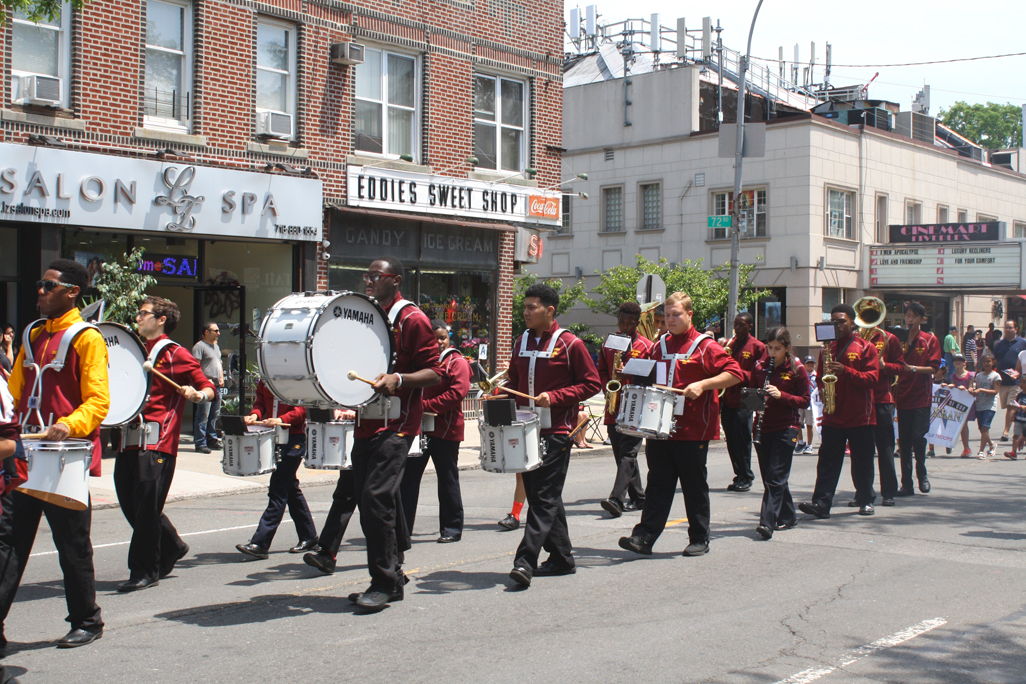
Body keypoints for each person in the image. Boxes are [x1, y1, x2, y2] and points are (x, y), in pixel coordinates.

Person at [1, 259, 109, 649]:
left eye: (47, 286)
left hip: (65, 454)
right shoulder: (31, 333)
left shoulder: (87, 338)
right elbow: (14, 393)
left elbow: (98, 401)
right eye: (40, 285)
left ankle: (87, 620)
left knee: (72, 543)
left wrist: (69, 423)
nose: (40, 292)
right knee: (8, 541)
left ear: (72, 292)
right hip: (27, 452)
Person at [347, 257, 440, 612]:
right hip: (365, 422)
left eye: (376, 276)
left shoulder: (411, 318)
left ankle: (385, 582)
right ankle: (395, 569)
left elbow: (435, 373)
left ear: (395, 280)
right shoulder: (365, 314)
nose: (368, 281)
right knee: (371, 499)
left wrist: (399, 380)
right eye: (366, 275)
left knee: (376, 499)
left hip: (398, 426)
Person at [618, 292, 742, 558]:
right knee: (658, 483)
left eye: (676, 315)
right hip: (659, 427)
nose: (671, 320)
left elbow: (735, 373)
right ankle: (645, 537)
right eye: (668, 316)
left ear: (689, 315)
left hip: (692, 429)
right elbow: (646, 374)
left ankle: (699, 537)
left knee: (693, 485)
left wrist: (702, 384)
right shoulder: (658, 345)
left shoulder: (704, 346)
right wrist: (629, 367)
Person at [114, 296, 214, 592]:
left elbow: (208, 386)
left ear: (161, 319)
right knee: (130, 503)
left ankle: (144, 570)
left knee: (145, 508)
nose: (138, 317)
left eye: (143, 313)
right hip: (129, 437)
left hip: (158, 439)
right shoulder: (132, 350)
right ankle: (171, 544)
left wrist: (198, 396)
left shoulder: (175, 353)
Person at [507, 284, 601, 588]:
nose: (526, 312)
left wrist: (557, 396)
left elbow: (591, 384)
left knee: (544, 497)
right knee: (542, 496)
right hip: (526, 429)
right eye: (524, 307)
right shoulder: (521, 340)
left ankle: (525, 561)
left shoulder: (571, 344)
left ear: (550, 311)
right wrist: (497, 394)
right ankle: (561, 557)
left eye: (532, 307)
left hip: (557, 431)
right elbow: (513, 379)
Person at [798, 304, 880, 519]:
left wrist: (846, 371)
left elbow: (872, 378)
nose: (837, 325)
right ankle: (821, 503)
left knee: (862, 461)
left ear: (852, 322)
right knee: (827, 461)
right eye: (833, 321)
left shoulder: (865, 347)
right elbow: (819, 378)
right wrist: (825, 390)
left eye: (841, 321)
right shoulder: (827, 349)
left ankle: (865, 499)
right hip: (834, 414)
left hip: (860, 415)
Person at [400, 321, 470, 544]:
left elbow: (457, 392)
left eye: (443, 338)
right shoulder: (422, 362)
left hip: (446, 429)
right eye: (434, 338)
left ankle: (451, 527)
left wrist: (425, 406)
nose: (439, 342)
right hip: (420, 429)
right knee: (408, 479)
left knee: (447, 479)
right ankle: (402, 529)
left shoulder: (456, 361)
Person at [235, 380, 318, 559]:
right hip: (274, 437)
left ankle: (260, 542)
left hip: (294, 438)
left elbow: (303, 409)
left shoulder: (299, 378)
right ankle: (309, 536)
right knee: (290, 489)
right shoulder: (265, 379)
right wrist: (255, 415)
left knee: (278, 489)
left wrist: (281, 419)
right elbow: (260, 403)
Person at [750, 327, 809, 540]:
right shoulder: (760, 367)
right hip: (763, 426)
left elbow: (805, 400)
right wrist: (754, 398)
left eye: (777, 349)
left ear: (787, 348)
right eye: (770, 348)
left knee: (776, 476)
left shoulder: (797, 368)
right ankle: (789, 515)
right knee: (770, 477)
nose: (772, 353)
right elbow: (751, 393)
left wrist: (781, 395)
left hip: (787, 427)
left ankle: (767, 522)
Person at [597, 301, 654, 517]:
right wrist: (607, 388)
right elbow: (601, 368)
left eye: (630, 322)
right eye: (621, 321)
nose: (625, 326)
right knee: (621, 454)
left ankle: (616, 499)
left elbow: (652, 373)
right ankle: (639, 497)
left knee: (628, 454)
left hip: (636, 404)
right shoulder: (610, 342)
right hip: (614, 404)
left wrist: (628, 370)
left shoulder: (648, 346)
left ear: (637, 323)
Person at [893, 301, 941, 495]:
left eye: (913, 315)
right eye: (907, 315)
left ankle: (922, 475)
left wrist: (912, 369)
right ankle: (906, 484)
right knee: (903, 441)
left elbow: (934, 368)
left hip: (921, 396)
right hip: (902, 395)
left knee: (918, 438)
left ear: (922, 319)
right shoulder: (899, 338)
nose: (909, 318)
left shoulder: (930, 339)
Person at [303, 409, 357, 575]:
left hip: (382, 438)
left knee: (379, 502)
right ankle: (327, 553)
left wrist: (359, 412)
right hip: (354, 438)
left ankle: (394, 553)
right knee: (344, 495)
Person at [719, 312, 767, 492]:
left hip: (746, 397)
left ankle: (746, 475)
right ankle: (739, 474)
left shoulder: (757, 346)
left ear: (750, 326)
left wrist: (739, 374)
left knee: (743, 438)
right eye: (735, 324)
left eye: (741, 325)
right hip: (728, 397)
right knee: (731, 439)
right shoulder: (730, 344)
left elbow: (761, 374)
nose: (737, 328)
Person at [856, 323, 903, 507]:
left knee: (885, 448)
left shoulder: (889, 338)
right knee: (861, 450)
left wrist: (885, 365)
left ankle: (888, 491)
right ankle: (863, 493)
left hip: (882, 398)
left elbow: (900, 367)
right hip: (861, 399)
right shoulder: (856, 339)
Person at [191, 322, 224, 454]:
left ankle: (212, 440)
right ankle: (200, 443)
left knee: (214, 414)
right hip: (205, 385)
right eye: (215, 330)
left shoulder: (216, 346)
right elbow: (195, 367)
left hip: (216, 385)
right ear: (206, 332)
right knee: (203, 415)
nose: (218, 333)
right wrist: (202, 381)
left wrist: (221, 377)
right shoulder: (199, 346)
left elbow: (219, 363)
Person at [993, 321, 1026, 443]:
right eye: (1006, 327)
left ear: (1016, 329)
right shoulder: (999, 344)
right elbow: (995, 360)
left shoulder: (1022, 343)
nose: (1008, 329)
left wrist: (1019, 376)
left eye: (1010, 327)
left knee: (1011, 406)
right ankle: (1021, 428)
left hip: (1017, 381)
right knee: (1007, 406)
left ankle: (1006, 431)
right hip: (1002, 381)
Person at [970, 354, 1000, 459]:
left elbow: (995, 391)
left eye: (989, 361)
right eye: (985, 362)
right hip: (979, 405)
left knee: (985, 427)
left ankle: (981, 451)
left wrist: (981, 390)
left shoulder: (996, 376)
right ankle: (992, 445)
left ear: (993, 363)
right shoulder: (978, 376)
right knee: (982, 430)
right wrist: (972, 390)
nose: (987, 364)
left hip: (990, 405)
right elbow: (974, 387)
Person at [945, 354, 975, 458]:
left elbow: (972, 389)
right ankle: (949, 442)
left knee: (963, 425)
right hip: (955, 403)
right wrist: (950, 386)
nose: (958, 363)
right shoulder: (952, 376)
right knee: (952, 423)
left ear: (964, 363)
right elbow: (952, 386)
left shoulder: (970, 375)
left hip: (965, 403)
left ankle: (966, 448)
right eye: (956, 361)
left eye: (960, 361)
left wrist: (966, 389)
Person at [795, 355, 818, 454]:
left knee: (809, 424)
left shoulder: (816, 376)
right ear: (804, 365)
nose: (810, 366)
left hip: (811, 404)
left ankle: (809, 445)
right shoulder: (800, 375)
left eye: (812, 364)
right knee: (798, 423)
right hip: (801, 401)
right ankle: (800, 442)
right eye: (808, 364)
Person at [1004, 375, 1026, 460]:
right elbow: (1016, 405)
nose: (1022, 384)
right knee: (1016, 436)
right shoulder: (1020, 395)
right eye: (1021, 382)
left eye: (1024, 382)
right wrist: (1013, 414)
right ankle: (1014, 452)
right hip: (1019, 419)